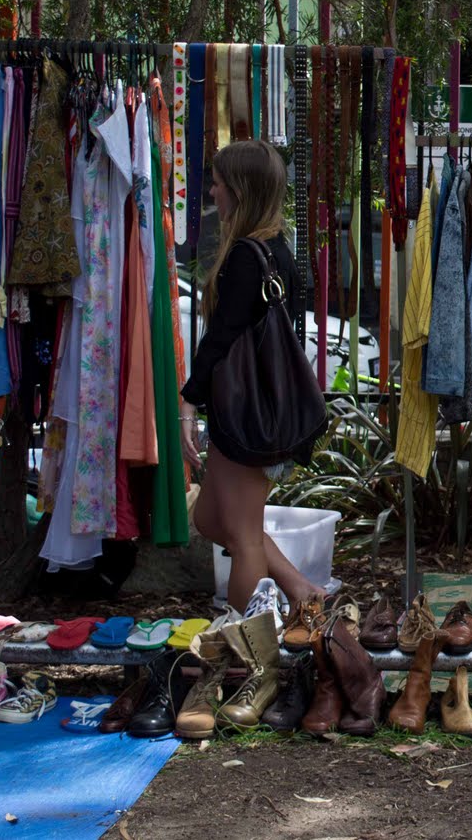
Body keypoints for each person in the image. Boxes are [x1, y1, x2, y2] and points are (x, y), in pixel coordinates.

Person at [179, 139, 322, 613]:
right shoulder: (277, 250)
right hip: (257, 415)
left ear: (239, 190)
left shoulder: (245, 257)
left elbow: (219, 342)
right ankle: (302, 591)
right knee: (210, 519)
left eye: (218, 183)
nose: (212, 192)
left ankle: (250, 650)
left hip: (245, 419)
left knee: (243, 539)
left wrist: (188, 404)